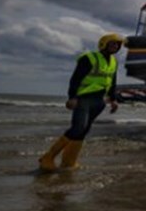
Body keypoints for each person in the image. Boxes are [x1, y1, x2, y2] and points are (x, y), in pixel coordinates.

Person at [37, 33, 124, 172]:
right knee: (78, 128)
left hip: (99, 101)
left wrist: (113, 100)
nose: (116, 46)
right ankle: (47, 158)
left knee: (84, 130)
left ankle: (68, 162)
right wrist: (72, 97)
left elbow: (112, 82)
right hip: (83, 99)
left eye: (118, 45)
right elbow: (76, 79)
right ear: (104, 43)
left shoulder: (114, 62)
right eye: (113, 43)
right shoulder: (89, 58)